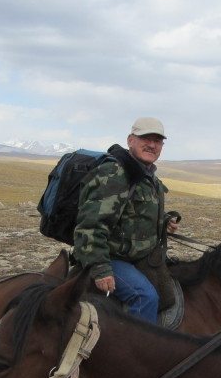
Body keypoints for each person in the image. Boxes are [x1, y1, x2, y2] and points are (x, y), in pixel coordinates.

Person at [73, 117, 179, 324]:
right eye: (145, 138)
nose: (152, 144)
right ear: (130, 140)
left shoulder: (145, 174)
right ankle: (137, 352)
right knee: (145, 297)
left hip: (136, 256)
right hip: (112, 257)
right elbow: (90, 226)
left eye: (157, 141)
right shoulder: (115, 173)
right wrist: (101, 269)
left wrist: (163, 222)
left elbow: (134, 213)